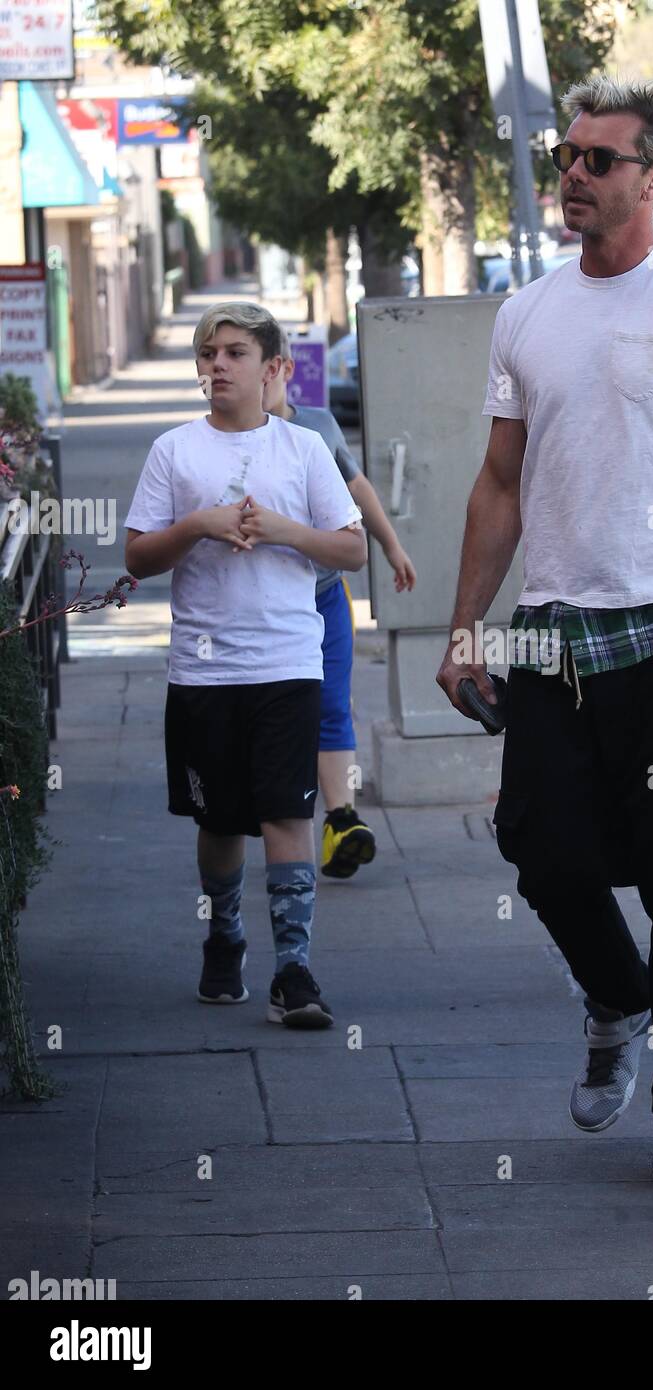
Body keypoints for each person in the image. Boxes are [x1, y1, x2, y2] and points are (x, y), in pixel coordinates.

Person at [436, 76, 653, 1186]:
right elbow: (499, 483)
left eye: (598, 160)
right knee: (539, 847)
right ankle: (617, 996)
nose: (574, 176)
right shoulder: (527, 311)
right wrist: (464, 628)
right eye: (566, 159)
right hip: (553, 628)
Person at [124, 302, 366, 1028]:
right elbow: (136, 558)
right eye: (208, 354)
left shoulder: (303, 449)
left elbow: (353, 549)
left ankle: (293, 970)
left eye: (233, 353)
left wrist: (286, 531)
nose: (218, 365)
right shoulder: (174, 451)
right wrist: (199, 525)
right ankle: (224, 938)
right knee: (221, 822)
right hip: (205, 672)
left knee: (289, 813)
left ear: (271, 369)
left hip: (288, 663)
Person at [262, 328, 416, 879]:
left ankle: (341, 820)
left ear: (281, 367)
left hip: (325, 596)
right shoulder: (225, 442)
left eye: (260, 363)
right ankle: (278, 822)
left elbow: (359, 490)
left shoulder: (319, 426)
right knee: (276, 715)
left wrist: (392, 547)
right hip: (261, 607)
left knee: (332, 704)